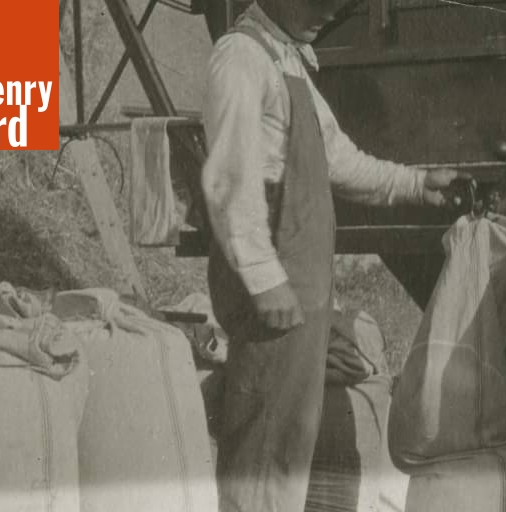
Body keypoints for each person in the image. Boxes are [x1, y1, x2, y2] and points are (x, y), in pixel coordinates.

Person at [199, 0, 465, 510]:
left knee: (288, 451)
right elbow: (231, 176)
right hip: (273, 295)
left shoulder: (289, 60)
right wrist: (262, 278)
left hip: (300, 291)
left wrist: (414, 184)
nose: (330, 14)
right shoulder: (241, 58)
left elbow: (337, 158)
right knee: (262, 452)